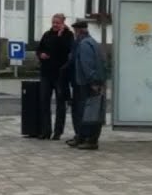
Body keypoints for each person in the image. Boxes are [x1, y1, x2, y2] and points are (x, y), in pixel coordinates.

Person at [65, 19, 107, 150]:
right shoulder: (93, 42)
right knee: (89, 111)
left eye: (75, 30)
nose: (75, 33)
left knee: (87, 112)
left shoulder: (84, 44)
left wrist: (93, 81)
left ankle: (89, 138)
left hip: (85, 83)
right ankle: (82, 137)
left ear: (78, 31)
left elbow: (87, 65)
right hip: (89, 82)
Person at [34, 13, 74, 140]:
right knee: (44, 102)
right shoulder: (47, 34)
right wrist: (41, 55)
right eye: (53, 22)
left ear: (63, 23)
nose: (55, 25)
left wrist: (61, 35)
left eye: (57, 23)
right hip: (46, 72)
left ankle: (58, 132)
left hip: (60, 74)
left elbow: (66, 49)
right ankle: (45, 131)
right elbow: (39, 49)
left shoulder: (68, 35)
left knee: (60, 104)